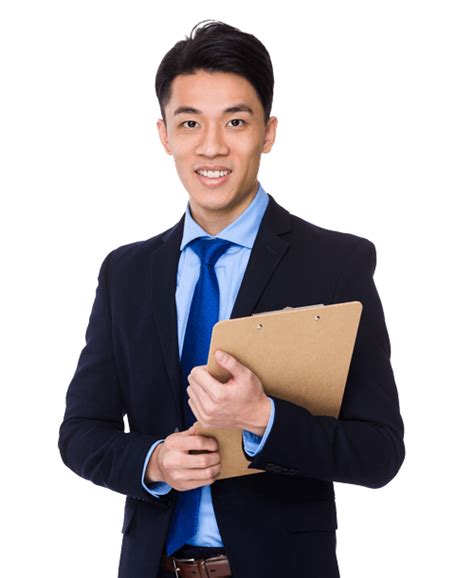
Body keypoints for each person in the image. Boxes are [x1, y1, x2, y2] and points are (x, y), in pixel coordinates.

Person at [59, 20, 405, 578]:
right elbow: (80, 433)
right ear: (165, 135)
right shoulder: (126, 273)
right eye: (190, 122)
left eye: (236, 121)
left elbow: (379, 451)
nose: (212, 145)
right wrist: (153, 461)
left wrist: (262, 418)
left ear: (268, 132)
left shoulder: (335, 264)